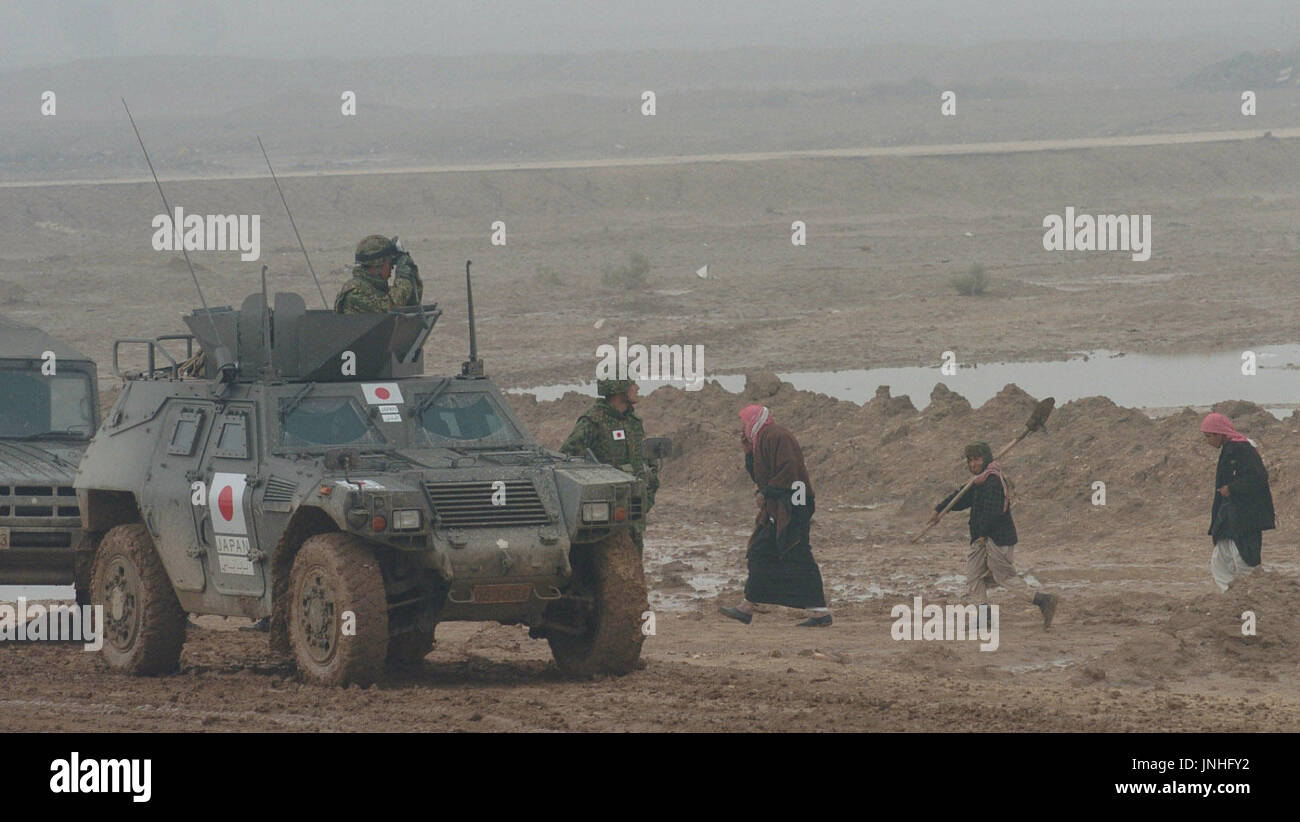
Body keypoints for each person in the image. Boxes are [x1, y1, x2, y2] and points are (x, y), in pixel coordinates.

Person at [719, 404, 832, 627]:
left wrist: (767, 492)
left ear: (755, 421)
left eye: (745, 423)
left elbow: (789, 470)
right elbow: (761, 477)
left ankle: (820, 613)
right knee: (761, 550)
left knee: (797, 551)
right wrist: (749, 454)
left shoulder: (777, 436)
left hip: (795, 503)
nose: (743, 428)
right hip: (778, 505)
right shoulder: (762, 440)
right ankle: (747, 606)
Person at [928, 442, 1058, 629]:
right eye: (970, 460)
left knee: (1003, 577)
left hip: (998, 538)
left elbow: (993, 512)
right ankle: (983, 617)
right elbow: (961, 497)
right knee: (973, 576)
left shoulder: (994, 481)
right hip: (981, 539)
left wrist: (982, 534)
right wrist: (940, 510)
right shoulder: (979, 481)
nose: (973, 464)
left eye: (977, 460)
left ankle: (1043, 600)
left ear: (986, 459)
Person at [559, 379, 658, 552]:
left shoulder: (634, 422)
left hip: (633, 516)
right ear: (619, 388)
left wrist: (646, 498)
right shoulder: (593, 422)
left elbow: (646, 463)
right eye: (632, 384)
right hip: (604, 522)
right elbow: (567, 461)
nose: (637, 388)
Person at [1201, 412, 1274, 592]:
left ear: (1220, 433)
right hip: (1230, 515)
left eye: (1209, 436)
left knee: (1245, 559)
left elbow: (1258, 477)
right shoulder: (1230, 449)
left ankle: (1252, 594)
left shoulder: (1241, 449)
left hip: (1245, 516)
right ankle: (1232, 595)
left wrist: (1232, 489)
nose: (1208, 441)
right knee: (1221, 558)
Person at [334, 234, 423, 314]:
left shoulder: (376, 289)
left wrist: (411, 273)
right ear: (378, 264)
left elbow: (411, 304)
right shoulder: (355, 293)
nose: (392, 268)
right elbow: (393, 310)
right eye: (390, 263)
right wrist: (403, 276)